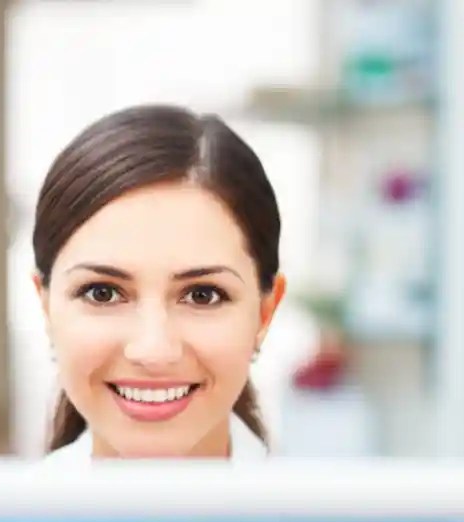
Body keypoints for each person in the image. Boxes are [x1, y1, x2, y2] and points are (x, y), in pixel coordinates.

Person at [34, 104, 286, 463]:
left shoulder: (323, 519)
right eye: (102, 293)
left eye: (203, 295)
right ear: (46, 308)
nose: (153, 351)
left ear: (265, 313)